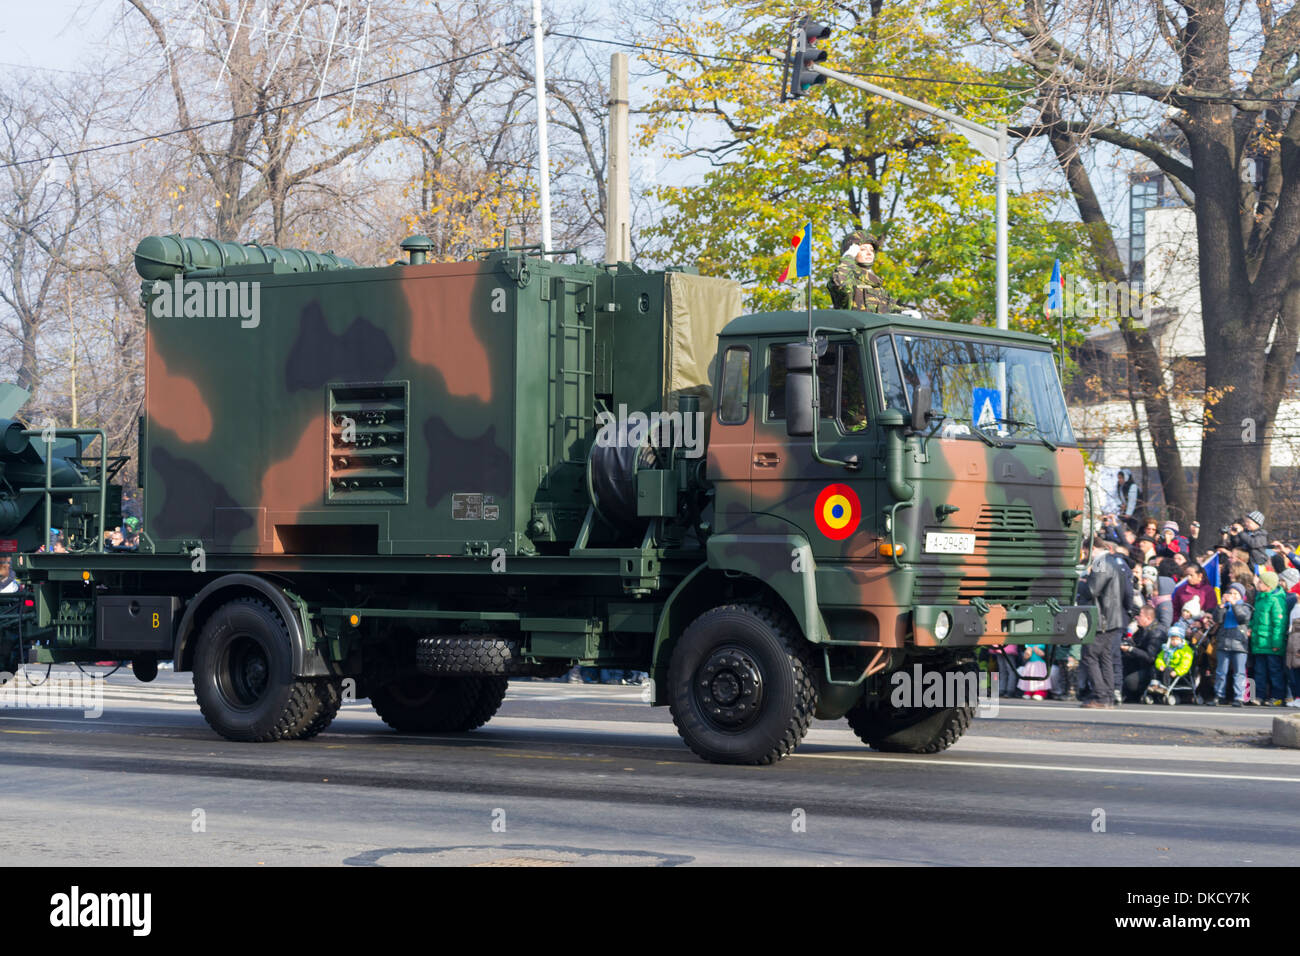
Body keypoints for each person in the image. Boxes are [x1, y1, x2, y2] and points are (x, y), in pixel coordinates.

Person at [1083, 534, 1129, 708]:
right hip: (1113, 618)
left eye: (1086, 551)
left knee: (1089, 656)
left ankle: (1101, 695)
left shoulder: (1100, 564)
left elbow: (1092, 590)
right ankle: (1108, 695)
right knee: (1105, 658)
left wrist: (1082, 580)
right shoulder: (1113, 562)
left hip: (1102, 619)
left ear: (1092, 549)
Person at [1250, 568, 1290, 705]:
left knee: (1275, 671)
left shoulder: (1277, 600)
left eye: (1260, 582)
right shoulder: (1260, 599)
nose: (1258, 584)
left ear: (1268, 585)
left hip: (1271, 644)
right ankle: (1260, 696)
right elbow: (1255, 619)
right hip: (1259, 643)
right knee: (1259, 671)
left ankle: (1277, 697)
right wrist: (1250, 628)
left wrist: (1277, 644)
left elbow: (1279, 624)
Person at [827, 231, 894, 312]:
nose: (869, 253)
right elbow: (840, 284)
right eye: (863, 249)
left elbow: (892, 308)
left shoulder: (877, 286)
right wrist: (848, 257)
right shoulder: (849, 280)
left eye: (871, 250)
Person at [1210, 582, 1252, 706]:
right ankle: (1219, 695)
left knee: (1239, 672)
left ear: (1241, 596)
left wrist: (1234, 605)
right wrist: (1221, 606)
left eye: (1235, 594)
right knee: (1221, 671)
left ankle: (1239, 697)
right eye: (1230, 593)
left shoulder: (1245, 607)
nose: (1232, 596)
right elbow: (1217, 619)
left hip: (1239, 644)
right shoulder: (1225, 607)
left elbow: (1242, 618)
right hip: (1224, 642)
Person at [1121, 604, 1165, 702]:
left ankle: (1138, 694)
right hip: (1141, 663)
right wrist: (1129, 641)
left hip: (1153, 669)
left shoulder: (1156, 633)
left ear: (1148, 618)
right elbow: (1138, 646)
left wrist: (1131, 649)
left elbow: (1150, 657)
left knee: (1130, 682)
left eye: (1140, 615)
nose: (1137, 617)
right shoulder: (1143, 629)